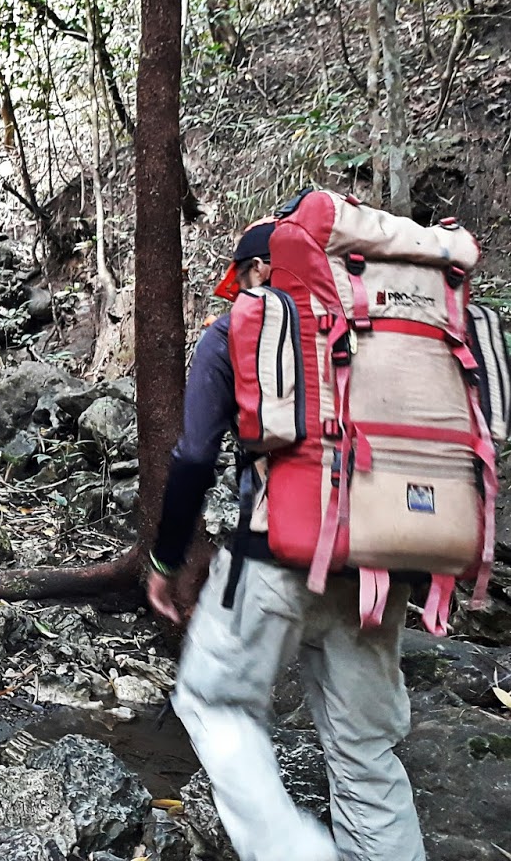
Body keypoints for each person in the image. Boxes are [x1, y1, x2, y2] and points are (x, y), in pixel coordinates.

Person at [146, 221, 425, 861]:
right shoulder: (384, 330)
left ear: (255, 273)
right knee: (365, 753)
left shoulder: (234, 334)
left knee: (212, 703)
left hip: (278, 559)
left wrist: (165, 558)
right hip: (381, 563)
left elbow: (194, 458)